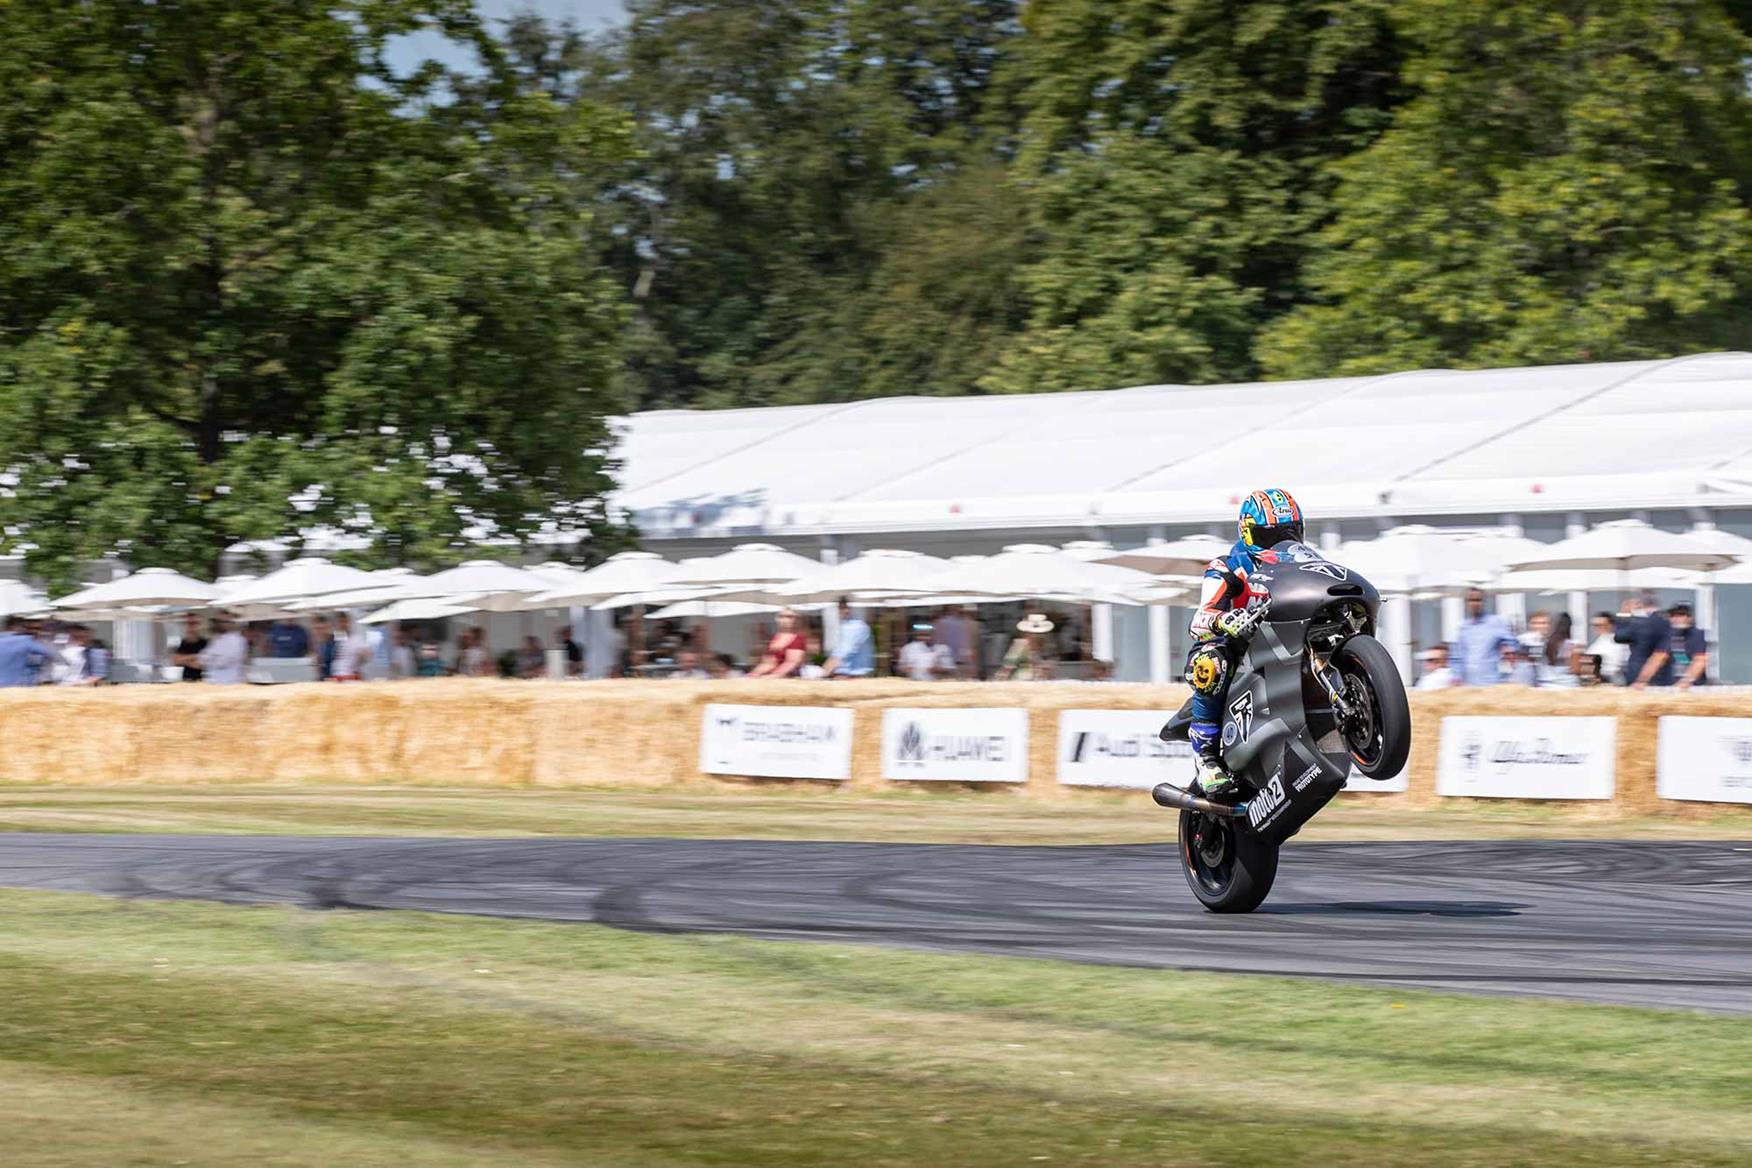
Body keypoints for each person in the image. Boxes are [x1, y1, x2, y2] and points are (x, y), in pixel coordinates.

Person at [1183, 488, 1303, 795]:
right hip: (1235, 648)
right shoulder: (1227, 566)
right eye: (1269, 535)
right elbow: (1198, 621)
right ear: (1247, 533)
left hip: (1281, 646)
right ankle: (1206, 757)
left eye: (1288, 533)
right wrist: (1224, 619)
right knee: (1211, 663)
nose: (1280, 542)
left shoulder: (1302, 563)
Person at [1454, 588, 1516, 686]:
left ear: (1483, 602)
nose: (1474, 604)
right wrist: (1456, 676)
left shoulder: (1496, 622)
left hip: (1491, 682)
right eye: (1471, 600)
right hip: (1469, 684)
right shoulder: (1463, 627)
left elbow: (1513, 644)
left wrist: (1507, 647)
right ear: (1466, 603)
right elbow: (1458, 656)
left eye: (1478, 600)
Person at [1615, 594, 1673, 689]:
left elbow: (1619, 637)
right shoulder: (1664, 620)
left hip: (1642, 674)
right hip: (1661, 675)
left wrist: (1624, 615)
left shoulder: (1640, 623)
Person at [747, 608, 808, 678]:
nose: (792, 620)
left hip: (788, 679)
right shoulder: (775, 638)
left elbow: (791, 662)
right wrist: (755, 673)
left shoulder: (798, 639)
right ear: (778, 619)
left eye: (794, 617)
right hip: (773, 678)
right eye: (787, 617)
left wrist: (772, 676)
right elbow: (768, 663)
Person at [1523, 611, 1577, 688]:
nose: (1540, 626)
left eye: (1544, 623)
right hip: (1564, 687)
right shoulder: (1527, 642)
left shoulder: (1544, 644)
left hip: (1549, 687)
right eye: (1535, 623)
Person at [822, 599, 874, 678]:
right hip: (848, 676)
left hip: (853, 677)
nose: (842, 611)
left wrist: (821, 674)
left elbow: (841, 654)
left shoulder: (855, 627)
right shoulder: (846, 626)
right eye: (840, 608)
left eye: (844, 608)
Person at [0, 615, 55, 688]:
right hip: (18, 687)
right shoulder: (25, 641)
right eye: (28, 628)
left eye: (38, 629)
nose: (33, 631)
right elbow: (52, 654)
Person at [996, 613, 1054, 681]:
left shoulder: (1046, 647)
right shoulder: (1020, 645)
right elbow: (1007, 668)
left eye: (1040, 634)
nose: (1037, 636)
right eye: (1034, 633)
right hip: (1021, 682)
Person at [197, 613, 248, 684]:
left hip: (228, 682)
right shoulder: (216, 639)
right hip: (212, 681)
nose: (219, 624)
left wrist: (211, 659)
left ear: (231, 623)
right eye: (218, 621)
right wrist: (213, 658)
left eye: (223, 622)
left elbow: (223, 662)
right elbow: (201, 659)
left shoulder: (236, 640)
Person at [1667, 604, 1709, 690]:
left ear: (1689, 618)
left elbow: (1700, 660)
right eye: (1673, 616)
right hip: (1672, 685)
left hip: (1694, 687)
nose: (1677, 619)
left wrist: (1686, 681)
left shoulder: (1697, 635)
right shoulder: (1671, 635)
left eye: (1681, 615)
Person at [1584, 612, 1629, 686]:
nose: (1597, 628)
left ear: (1610, 625)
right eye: (1595, 625)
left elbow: (1617, 664)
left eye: (1600, 625)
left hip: (1612, 679)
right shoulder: (1598, 642)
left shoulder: (1618, 641)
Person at [170, 614, 209, 682]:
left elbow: (200, 664)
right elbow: (174, 661)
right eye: (188, 623)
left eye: (194, 623)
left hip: (201, 681)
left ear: (199, 625)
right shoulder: (180, 642)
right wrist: (195, 656)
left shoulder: (205, 643)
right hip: (184, 681)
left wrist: (182, 660)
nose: (191, 626)